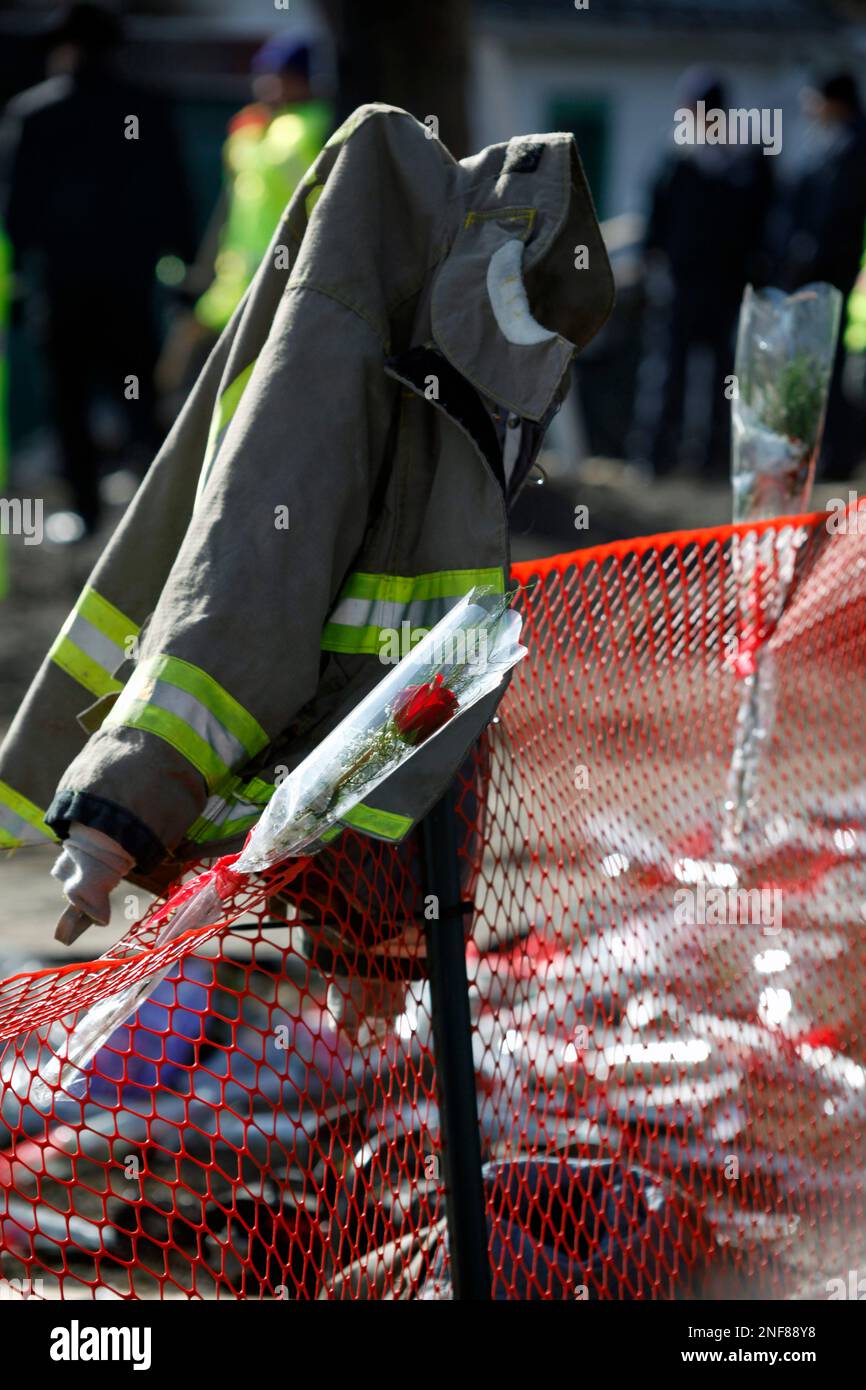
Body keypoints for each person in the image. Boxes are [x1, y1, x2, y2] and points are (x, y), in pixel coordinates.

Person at [0, 106, 614, 1031]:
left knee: (367, 1077)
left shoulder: (447, 362)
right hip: (322, 778)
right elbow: (248, 564)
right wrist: (121, 811)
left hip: (392, 798)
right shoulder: (350, 338)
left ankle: (370, 1072)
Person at [0, 3, 194, 536]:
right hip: (110, 283)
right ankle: (150, 514)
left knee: (85, 397)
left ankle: (103, 508)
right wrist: (180, 268)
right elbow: (174, 195)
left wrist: (18, 278)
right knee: (127, 396)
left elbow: (20, 208)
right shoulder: (133, 107)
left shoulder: (40, 112)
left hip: (79, 284)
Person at [633, 70, 772, 478]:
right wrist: (653, 261)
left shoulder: (745, 161)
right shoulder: (677, 158)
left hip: (728, 283)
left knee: (724, 376)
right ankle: (657, 454)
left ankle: (713, 456)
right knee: (666, 371)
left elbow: (761, 221)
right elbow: (656, 216)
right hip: (681, 282)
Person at [193, 37, 332, 336]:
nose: (268, 84)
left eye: (280, 76)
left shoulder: (316, 124)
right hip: (238, 269)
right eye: (266, 75)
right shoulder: (252, 127)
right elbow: (232, 200)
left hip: (289, 266)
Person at [779, 72, 866, 477]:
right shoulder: (826, 146)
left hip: (844, 277)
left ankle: (840, 457)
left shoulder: (854, 149)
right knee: (820, 369)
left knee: (841, 375)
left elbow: (842, 216)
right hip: (823, 277)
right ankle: (824, 454)